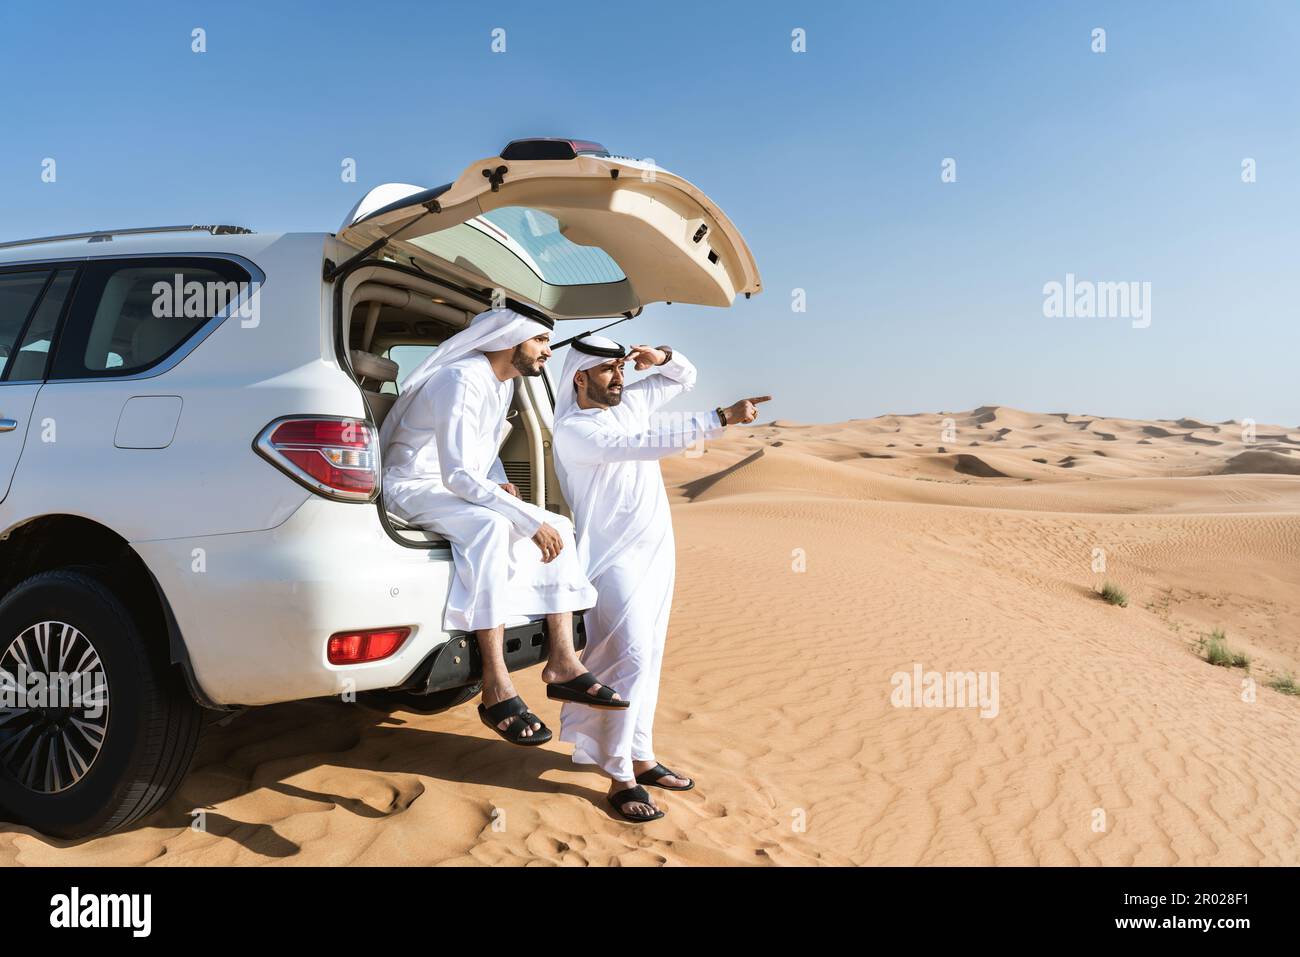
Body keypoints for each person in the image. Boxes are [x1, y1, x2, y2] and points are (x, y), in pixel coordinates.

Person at [381, 304, 629, 747]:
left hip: (449, 486)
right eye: (540, 341)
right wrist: (520, 517)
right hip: (412, 485)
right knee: (491, 528)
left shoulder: (501, 384)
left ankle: (563, 663)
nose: (548, 352)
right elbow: (457, 472)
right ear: (509, 339)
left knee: (558, 523)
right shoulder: (459, 379)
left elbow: (480, 455)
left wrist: (500, 485)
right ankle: (495, 685)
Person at [552, 334, 770, 822]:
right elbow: (642, 445)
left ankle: (641, 755)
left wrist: (662, 357)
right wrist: (721, 418)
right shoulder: (574, 429)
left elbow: (683, 376)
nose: (620, 377)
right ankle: (618, 776)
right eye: (608, 371)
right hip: (611, 559)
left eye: (622, 368)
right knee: (625, 656)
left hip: (656, 552)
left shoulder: (626, 403)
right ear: (580, 378)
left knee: (648, 658)